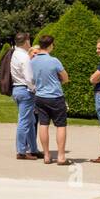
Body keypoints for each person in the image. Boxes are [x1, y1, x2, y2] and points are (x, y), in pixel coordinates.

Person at [30, 35, 71, 165]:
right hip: (55, 96)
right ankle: (61, 156)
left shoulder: (33, 61)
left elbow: (32, 78)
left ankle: (47, 155)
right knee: (61, 126)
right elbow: (65, 78)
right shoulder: (54, 61)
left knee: (43, 124)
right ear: (50, 45)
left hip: (40, 96)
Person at [9, 32, 42, 160]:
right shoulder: (24, 57)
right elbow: (29, 78)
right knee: (24, 121)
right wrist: (35, 90)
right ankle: (21, 151)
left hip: (18, 88)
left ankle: (33, 149)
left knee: (30, 120)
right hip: (25, 90)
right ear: (26, 41)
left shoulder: (15, 54)